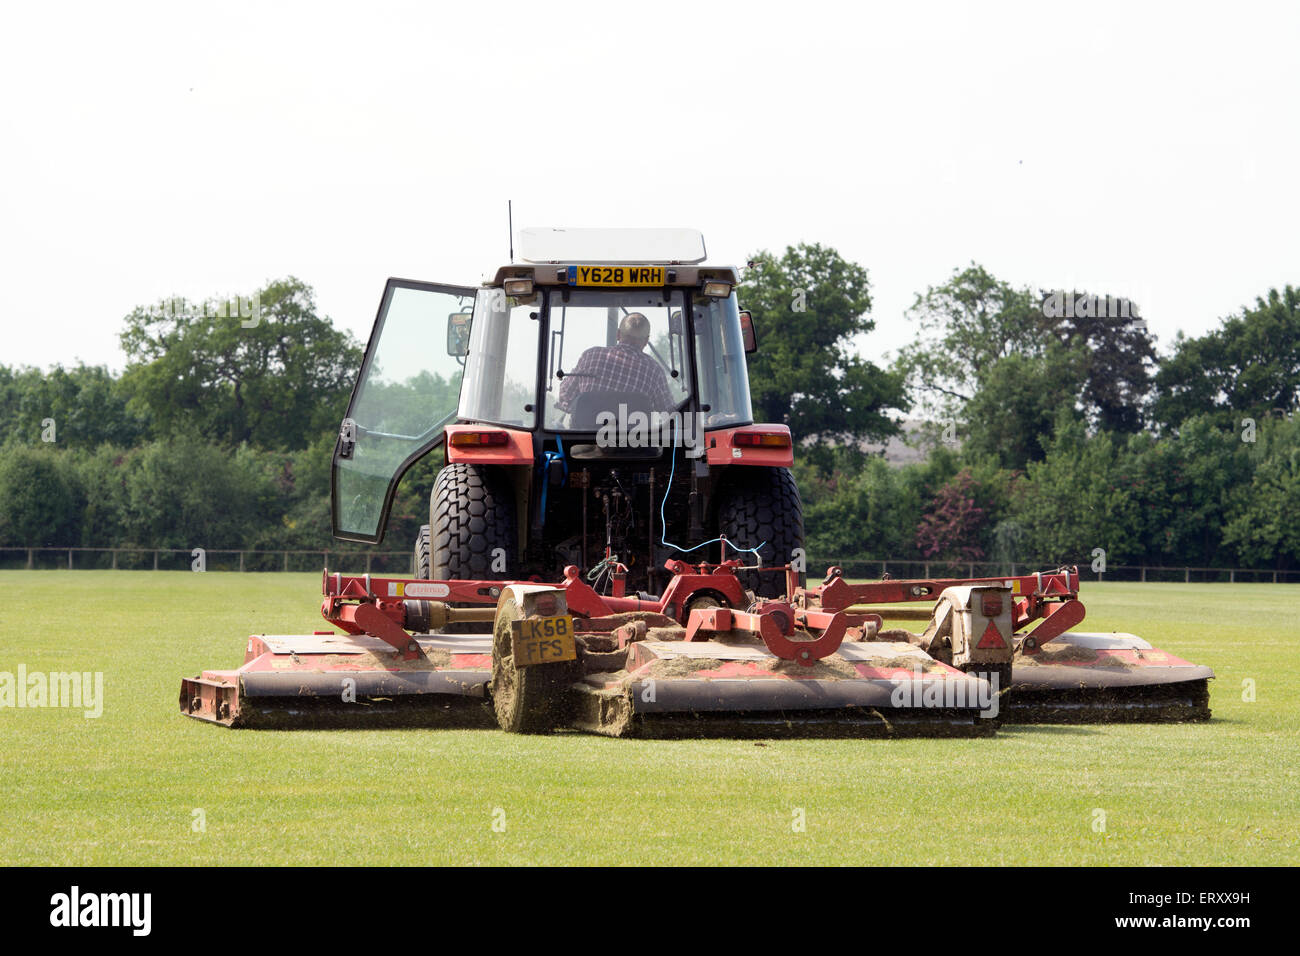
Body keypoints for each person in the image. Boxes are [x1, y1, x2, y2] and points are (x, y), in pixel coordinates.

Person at [556, 312, 675, 418]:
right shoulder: (654, 370)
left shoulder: (591, 356)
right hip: (633, 442)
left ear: (618, 334)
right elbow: (669, 412)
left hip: (584, 440)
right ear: (645, 341)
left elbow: (565, 395)